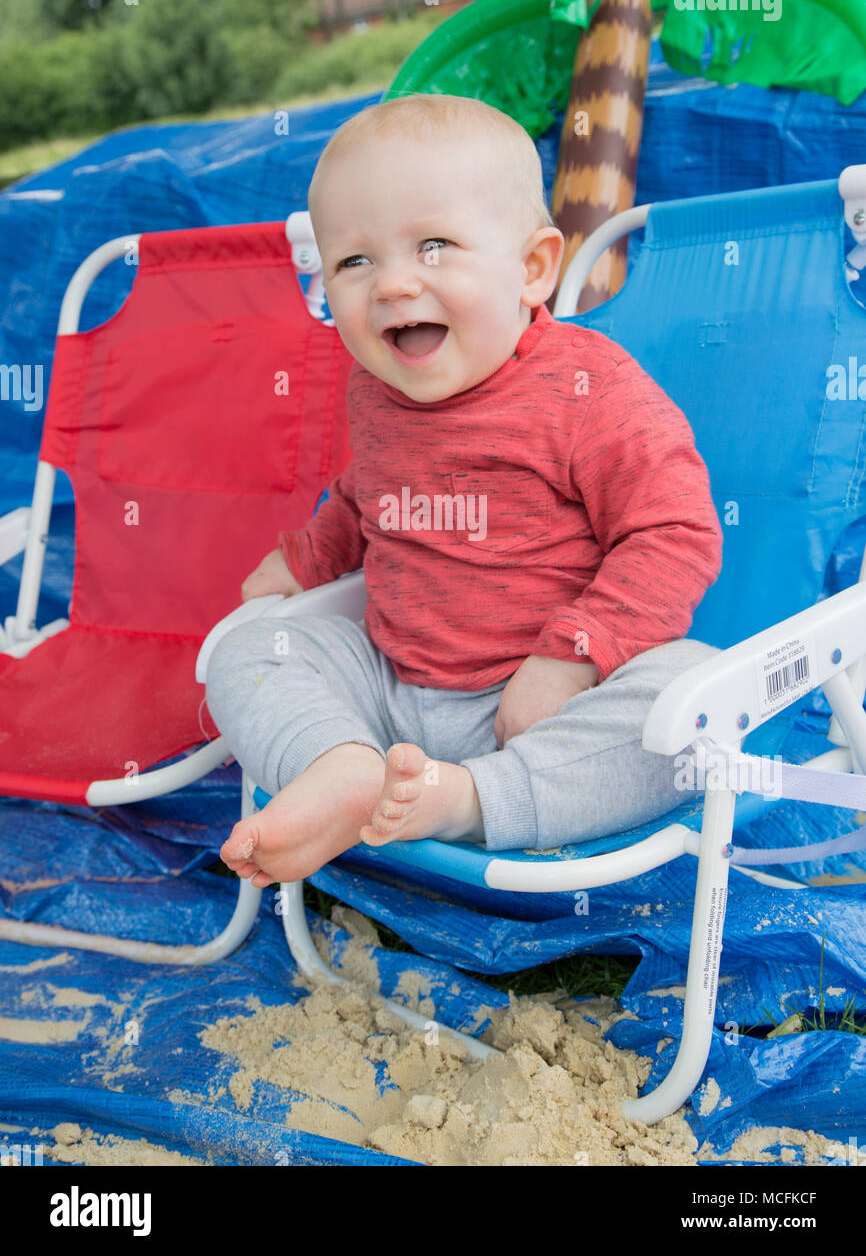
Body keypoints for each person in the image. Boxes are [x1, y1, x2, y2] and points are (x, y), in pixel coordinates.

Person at [205, 93, 723, 889]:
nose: (393, 285)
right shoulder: (376, 391)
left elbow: (676, 532)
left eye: (435, 246)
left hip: (547, 706)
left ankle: (471, 799)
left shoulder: (589, 389)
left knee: (688, 707)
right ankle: (342, 770)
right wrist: (311, 559)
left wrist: (572, 657)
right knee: (249, 648)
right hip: (394, 687)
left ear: (532, 269)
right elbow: (365, 491)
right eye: (354, 261)